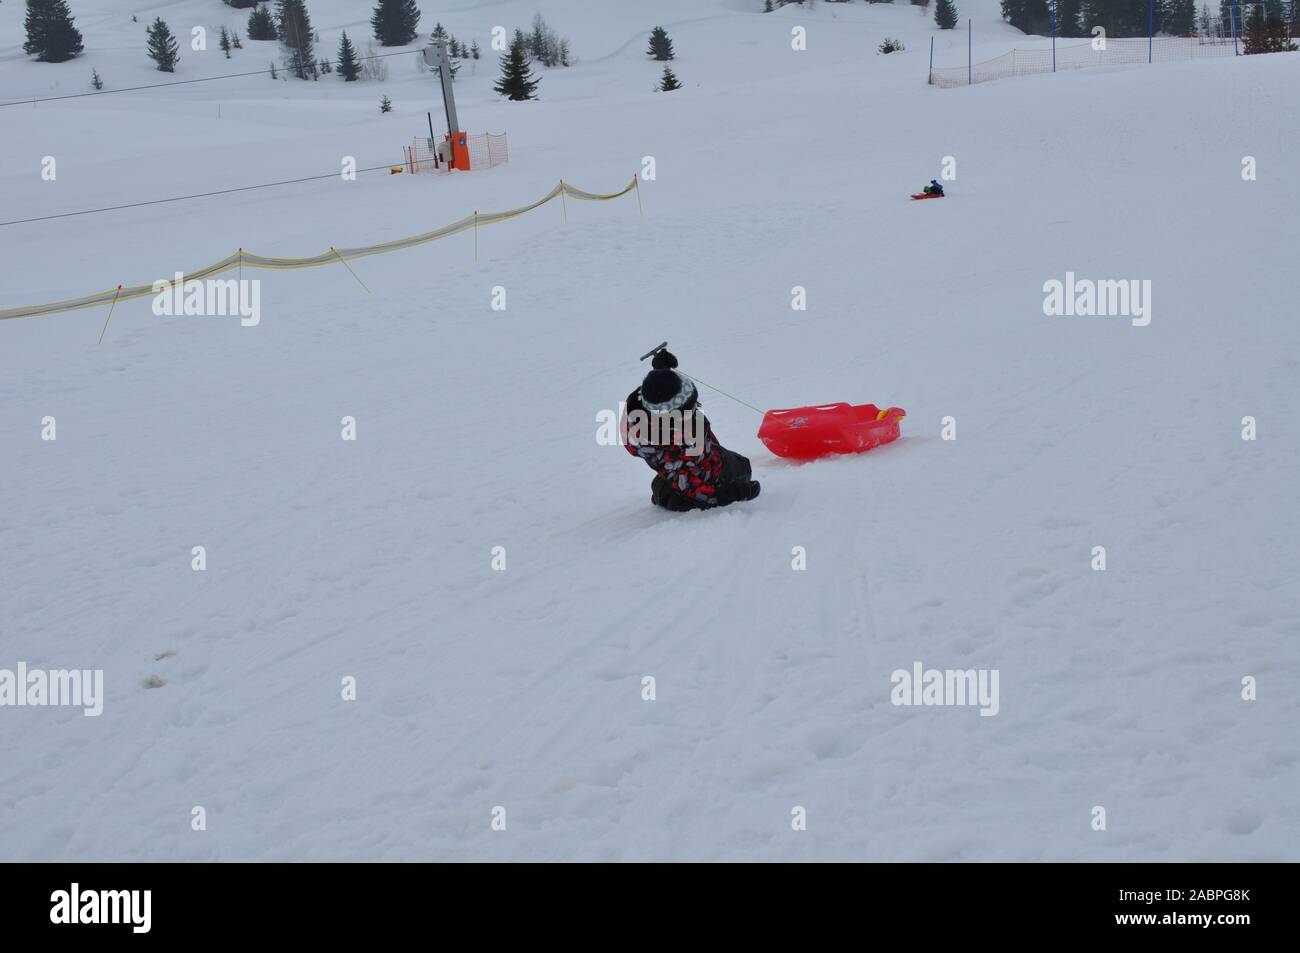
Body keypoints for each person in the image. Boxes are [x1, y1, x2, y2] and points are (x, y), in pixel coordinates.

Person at [623, 350, 761, 512]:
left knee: (734, 462)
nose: (696, 407)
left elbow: (657, 392)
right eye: (689, 407)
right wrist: (731, 493)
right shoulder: (673, 450)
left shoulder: (642, 403)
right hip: (704, 474)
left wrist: (661, 372)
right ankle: (670, 495)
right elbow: (696, 491)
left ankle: (666, 485)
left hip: (696, 458)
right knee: (744, 469)